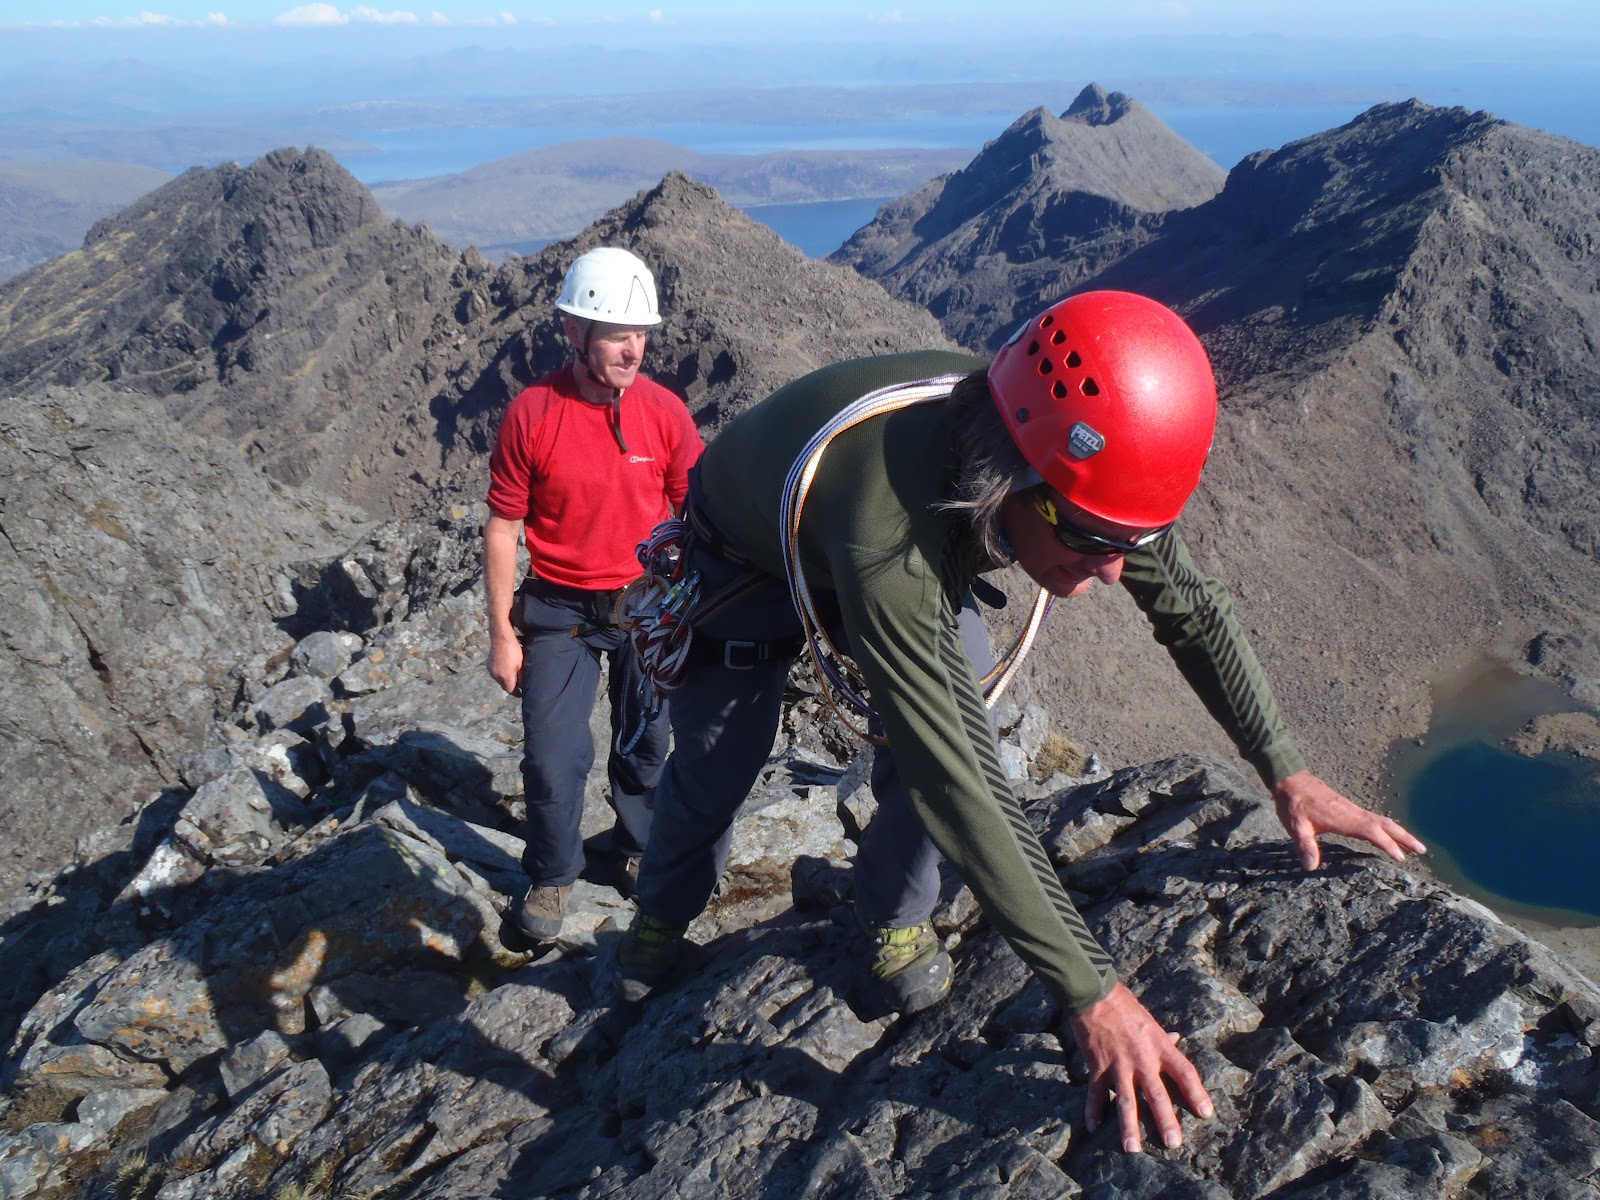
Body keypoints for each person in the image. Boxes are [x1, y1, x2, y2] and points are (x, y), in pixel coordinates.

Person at [613, 290, 1426, 1154]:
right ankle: (657, 925)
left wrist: (1287, 770)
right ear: (1019, 489)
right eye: (1088, 541)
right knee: (716, 769)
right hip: (745, 567)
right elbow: (955, 773)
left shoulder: (1074, 457)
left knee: (961, 685)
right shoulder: (894, 532)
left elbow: (1188, 603)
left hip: (917, 530)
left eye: (1125, 543)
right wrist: (1093, 995)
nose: (1111, 573)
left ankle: (890, 909)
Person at [483, 246, 702, 945]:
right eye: (616, 335)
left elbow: (689, 512)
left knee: (646, 743)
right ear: (575, 333)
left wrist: (686, 607)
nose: (633, 349)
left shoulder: (665, 414)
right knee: (553, 756)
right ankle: (552, 875)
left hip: (647, 606)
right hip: (561, 609)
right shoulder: (533, 413)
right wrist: (501, 635)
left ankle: (636, 849)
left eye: (640, 334)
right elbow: (504, 524)